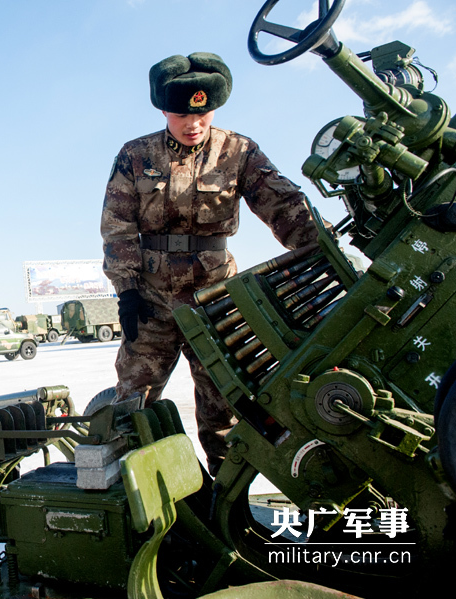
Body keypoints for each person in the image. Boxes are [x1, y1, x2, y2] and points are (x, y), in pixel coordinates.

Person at [100, 53, 320, 475]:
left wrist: (323, 248)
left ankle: (227, 499)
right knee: (131, 405)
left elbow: (284, 205)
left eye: (203, 112)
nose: (194, 123)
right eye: (183, 113)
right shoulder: (136, 154)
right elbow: (117, 224)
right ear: (164, 110)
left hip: (216, 298)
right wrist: (126, 289)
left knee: (226, 406)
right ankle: (138, 505)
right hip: (151, 299)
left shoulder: (238, 151)